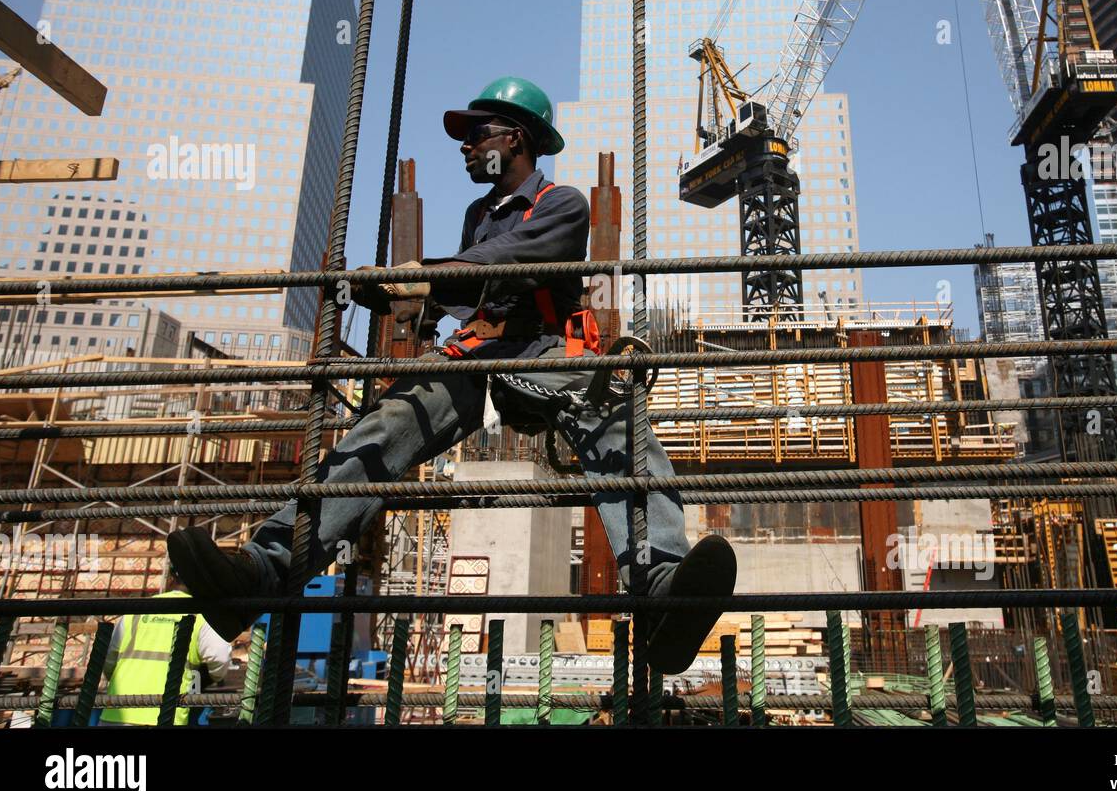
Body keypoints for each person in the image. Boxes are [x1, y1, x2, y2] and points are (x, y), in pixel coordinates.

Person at [166, 76, 737, 674]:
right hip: (477, 358)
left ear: (514, 139)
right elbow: (470, 293)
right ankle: (263, 570)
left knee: (616, 422)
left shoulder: (562, 203)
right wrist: (403, 298)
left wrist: (426, 274)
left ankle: (662, 589)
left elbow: (514, 260)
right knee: (385, 428)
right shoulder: (477, 216)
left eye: (475, 134)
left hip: (545, 356)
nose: (465, 146)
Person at [101, 578, 231, 725]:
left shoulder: (137, 610)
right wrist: (205, 679)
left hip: (118, 712)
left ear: (170, 580)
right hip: (166, 714)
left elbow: (108, 659)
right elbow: (220, 658)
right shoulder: (202, 615)